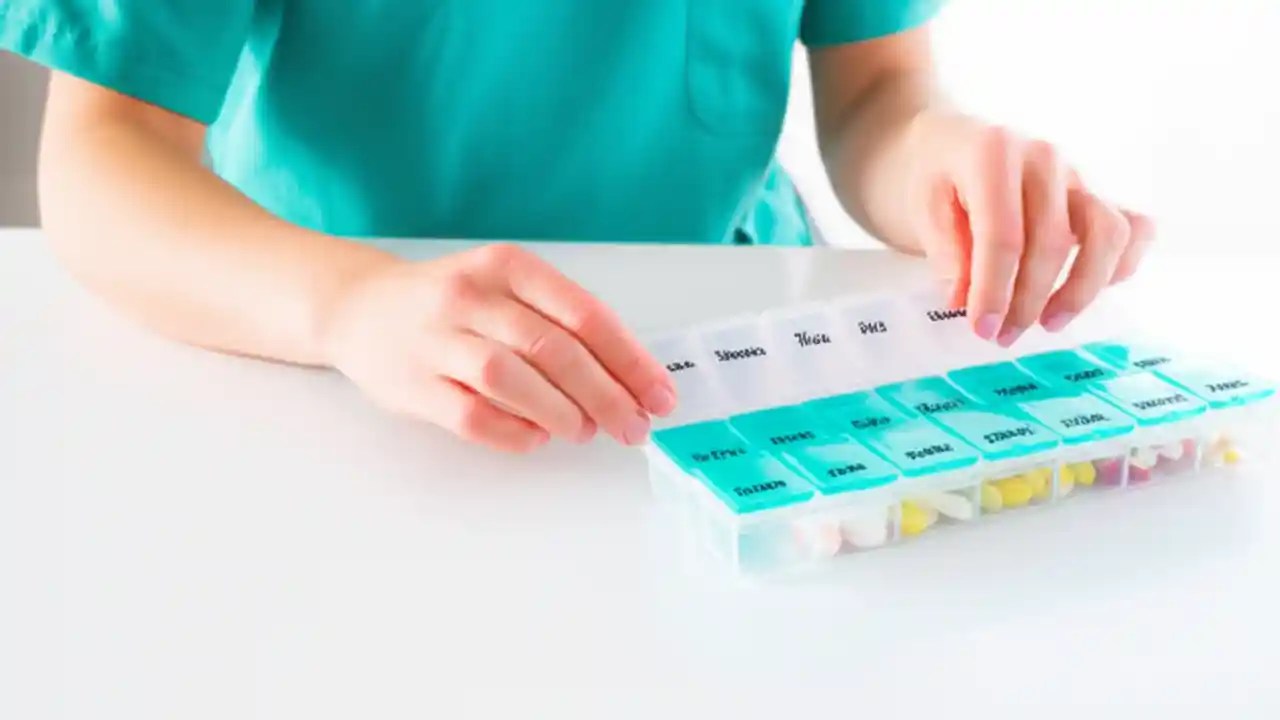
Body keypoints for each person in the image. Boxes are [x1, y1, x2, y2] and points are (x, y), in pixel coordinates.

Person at [1, 1, 1153, 453]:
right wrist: (346, 306)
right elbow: (106, 161)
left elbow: (872, 90)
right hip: (329, 366)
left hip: (718, 355)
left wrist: (942, 155)